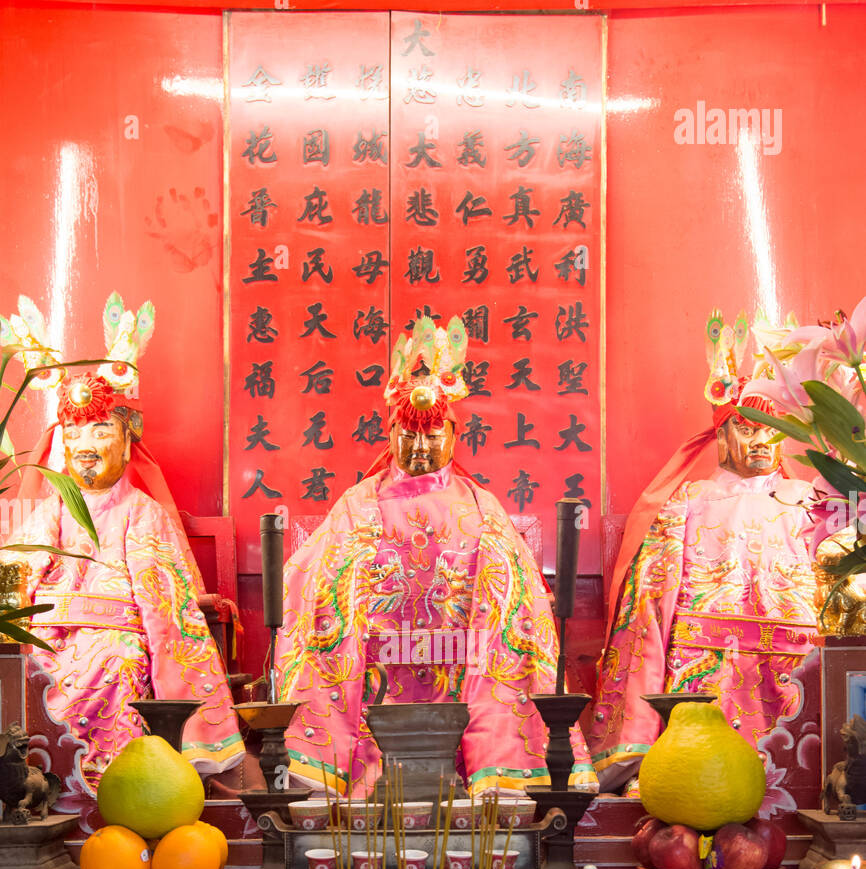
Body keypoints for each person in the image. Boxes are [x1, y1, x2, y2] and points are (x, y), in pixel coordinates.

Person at [275, 314, 598, 796]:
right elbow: (313, 590)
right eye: (409, 435)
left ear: (453, 435)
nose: (421, 447)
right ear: (390, 435)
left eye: (433, 435)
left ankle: (493, 763)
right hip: (375, 680)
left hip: (460, 675)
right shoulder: (358, 505)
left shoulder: (480, 508)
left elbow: (516, 607)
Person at [588, 311, 836, 792]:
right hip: (704, 669)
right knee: (698, 777)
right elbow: (648, 612)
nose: (762, 439)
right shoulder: (687, 503)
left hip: (790, 668)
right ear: (720, 433)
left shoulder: (811, 503)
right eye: (747, 429)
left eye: (772, 428)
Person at [6, 370, 244, 791]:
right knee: (26, 668)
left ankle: (113, 787)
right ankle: (37, 781)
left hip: (116, 637)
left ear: (127, 442)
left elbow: (162, 601)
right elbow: (15, 569)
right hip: (48, 635)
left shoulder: (142, 511)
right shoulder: (51, 510)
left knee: (119, 661)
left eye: (101, 429)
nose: (86, 445)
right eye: (75, 432)